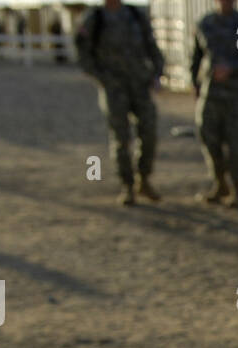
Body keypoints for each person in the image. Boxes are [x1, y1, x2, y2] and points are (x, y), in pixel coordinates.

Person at [75, 0, 166, 206]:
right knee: (121, 137)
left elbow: (151, 44)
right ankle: (128, 185)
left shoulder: (135, 14)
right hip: (113, 89)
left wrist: (157, 72)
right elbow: (82, 51)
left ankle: (144, 179)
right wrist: (100, 77)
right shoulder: (94, 18)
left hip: (140, 85)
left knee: (149, 131)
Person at [190, 0, 238, 207]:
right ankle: (220, 183)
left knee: (236, 143)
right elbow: (196, 56)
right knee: (209, 139)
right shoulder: (205, 24)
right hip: (210, 94)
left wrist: (232, 67)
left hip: (236, 95)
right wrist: (195, 83)